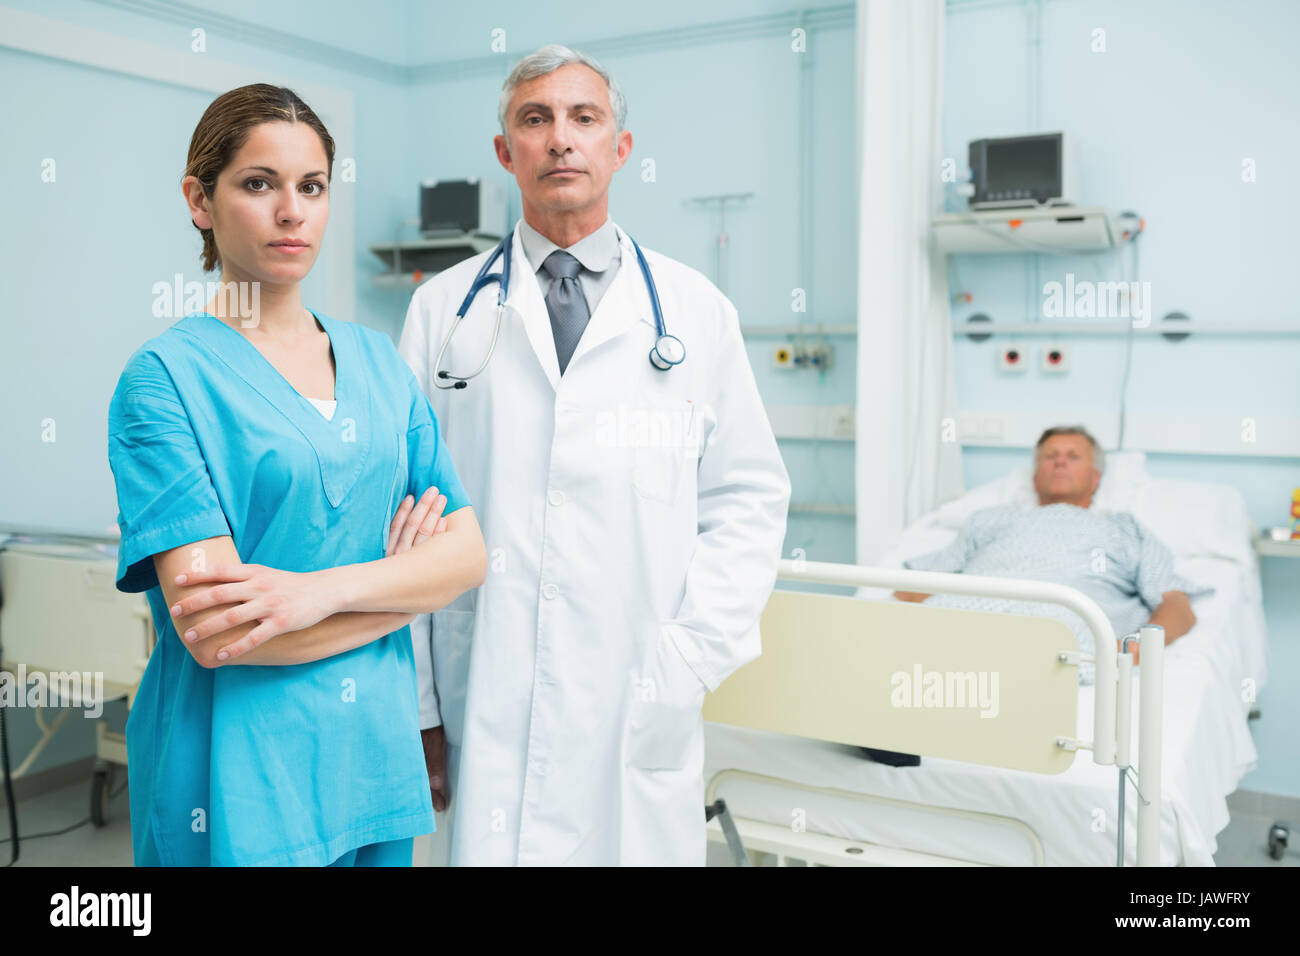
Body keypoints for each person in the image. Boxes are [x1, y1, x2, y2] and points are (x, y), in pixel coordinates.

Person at [399, 45, 791, 865]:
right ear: (507, 153)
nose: (560, 140)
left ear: (621, 148)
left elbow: (748, 499)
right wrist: (420, 703)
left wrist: (687, 656)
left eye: (584, 118)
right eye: (534, 120)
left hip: (638, 685)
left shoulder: (696, 311)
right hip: (485, 684)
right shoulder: (443, 310)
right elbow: (403, 516)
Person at [107, 84, 487, 866]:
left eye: (311, 187)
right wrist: (401, 583)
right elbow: (221, 634)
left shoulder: (378, 363)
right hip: (233, 771)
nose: (293, 212)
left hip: (370, 760)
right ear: (199, 200)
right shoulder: (163, 383)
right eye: (258, 183)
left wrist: (317, 592)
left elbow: (467, 558)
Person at [893, 426, 1207, 681]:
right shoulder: (990, 519)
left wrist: (1139, 647)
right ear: (1034, 476)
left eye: (1073, 456)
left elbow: (1176, 604)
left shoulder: (1124, 529)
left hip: (1061, 629)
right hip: (967, 623)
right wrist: (952, 604)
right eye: (1050, 456)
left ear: (1096, 478)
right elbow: (912, 586)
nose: (1059, 461)